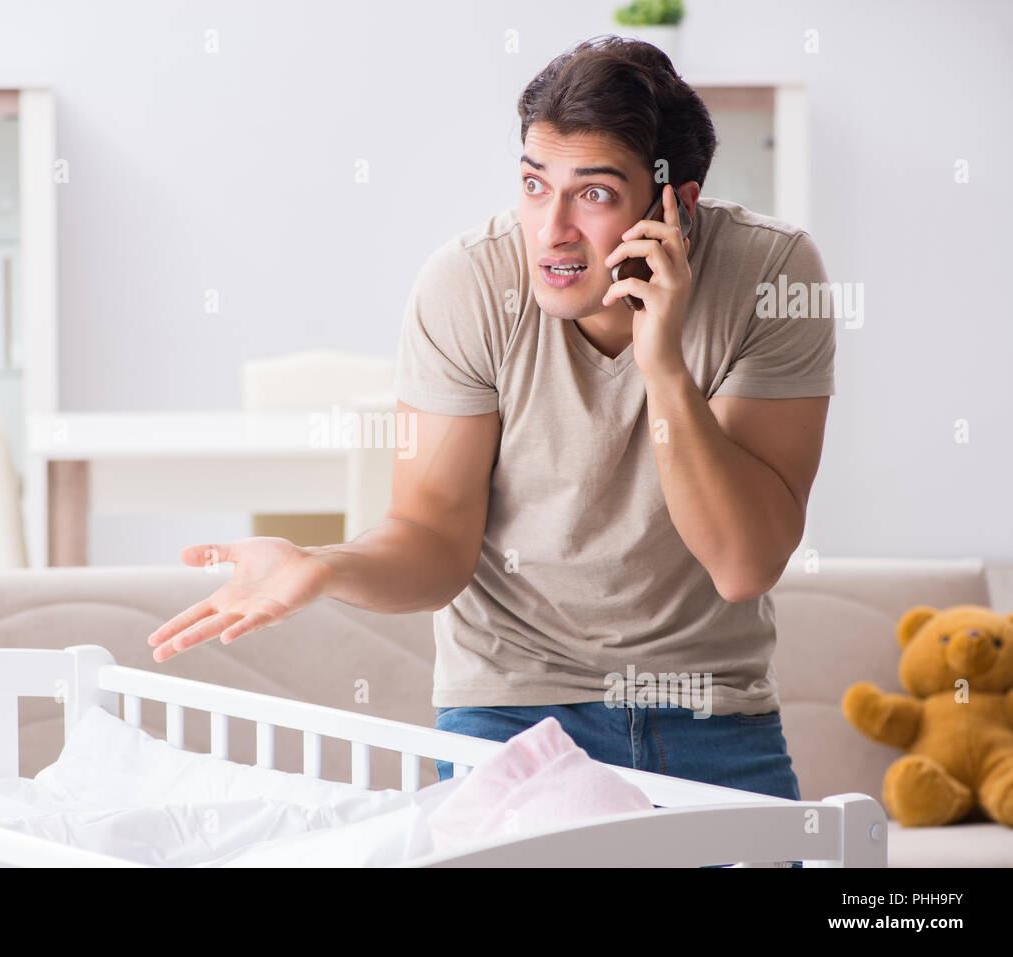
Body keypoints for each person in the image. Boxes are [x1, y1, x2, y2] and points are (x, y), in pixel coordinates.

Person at [146, 35, 834, 828]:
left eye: (595, 195)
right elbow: (435, 541)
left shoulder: (772, 276)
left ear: (674, 203)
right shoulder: (467, 285)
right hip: (514, 710)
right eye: (535, 186)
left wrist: (665, 367)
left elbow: (744, 563)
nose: (552, 230)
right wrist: (324, 564)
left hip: (712, 707)